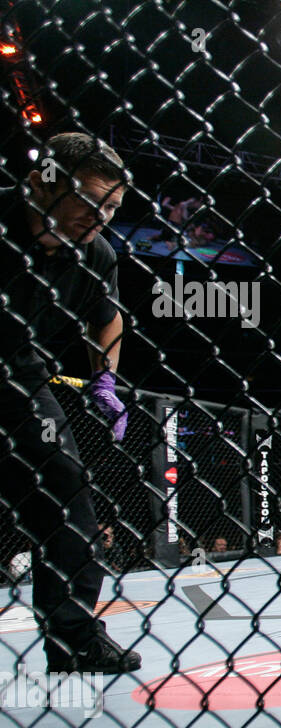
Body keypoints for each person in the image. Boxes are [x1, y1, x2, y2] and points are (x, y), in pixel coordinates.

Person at [0, 133, 139, 673]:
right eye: (90, 201)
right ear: (43, 181)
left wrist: (105, 380)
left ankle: (74, 641)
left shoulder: (96, 253)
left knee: (68, 502)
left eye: (112, 207)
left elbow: (107, 317)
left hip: (21, 384)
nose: (100, 217)